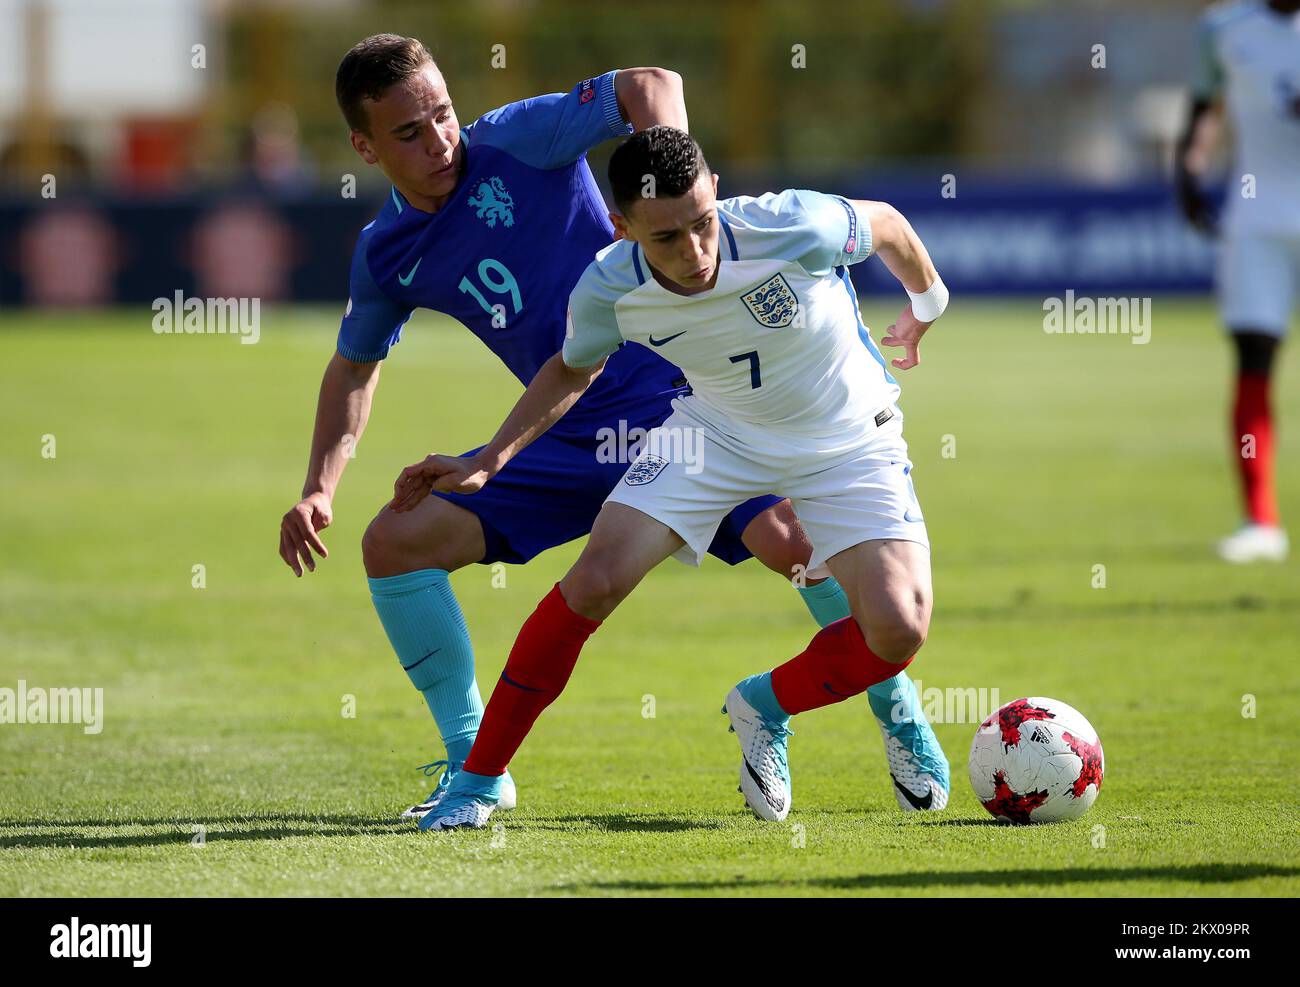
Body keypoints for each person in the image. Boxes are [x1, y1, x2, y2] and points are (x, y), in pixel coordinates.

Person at [277, 37, 949, 819]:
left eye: (443, 115)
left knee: (797, 547)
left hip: (682, 393)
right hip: (563, 420)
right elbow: (355, 365)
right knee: (395, 542)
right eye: (409, 133)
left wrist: (663, 180)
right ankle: (473, 763)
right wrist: (320, 487)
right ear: (363, 146)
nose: (440, 141)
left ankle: (899, 720)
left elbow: (650, 81)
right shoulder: (387, 251)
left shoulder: (519, 139)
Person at [1175, 0, 1300, 562]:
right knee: (1254, 357)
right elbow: (1205, 105)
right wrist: (1190, 169)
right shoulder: (1224, 30)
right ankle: (1261, 521)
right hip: (1257, 223)